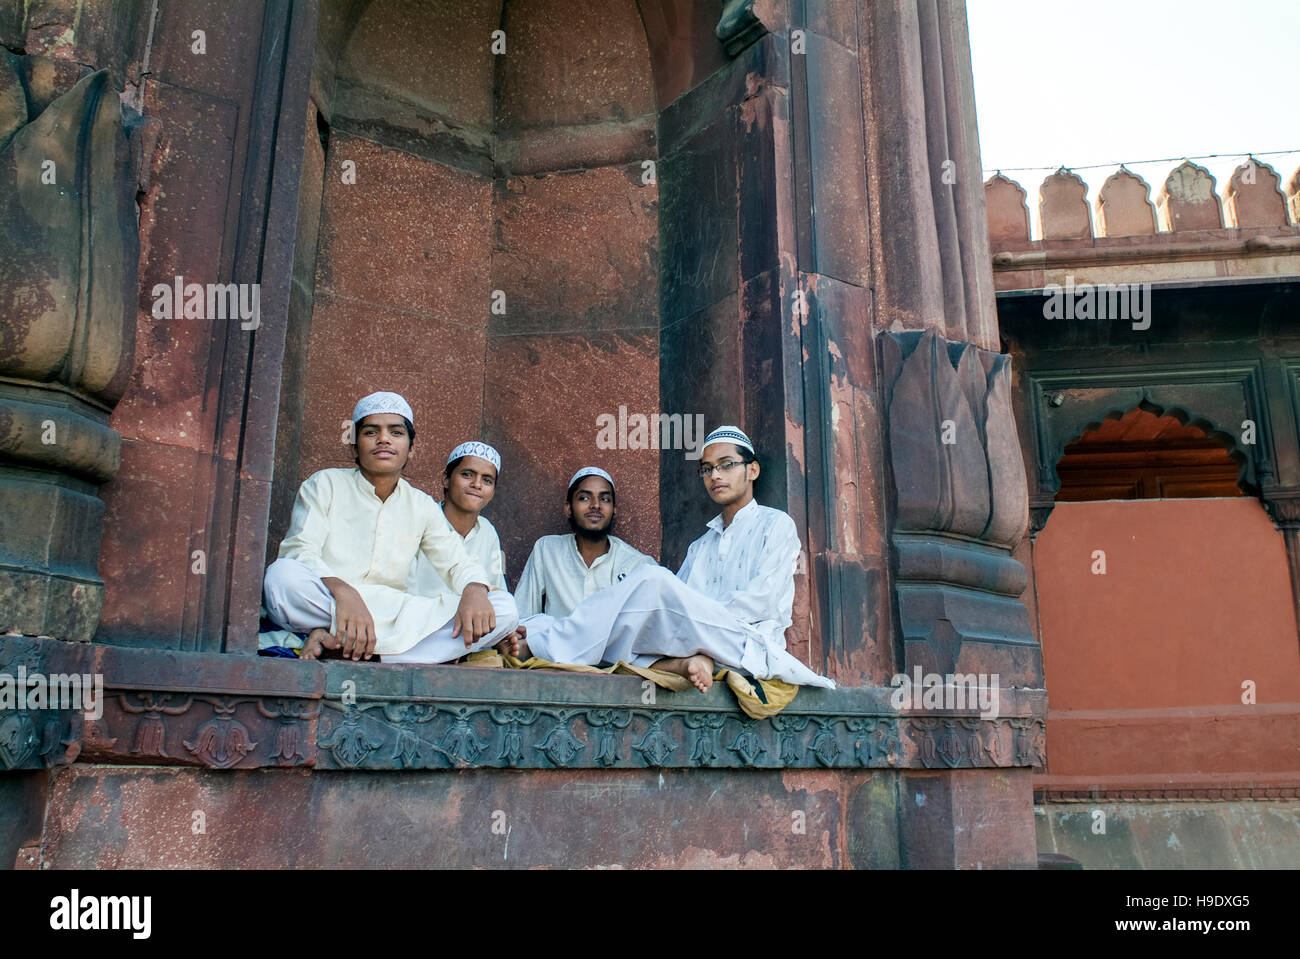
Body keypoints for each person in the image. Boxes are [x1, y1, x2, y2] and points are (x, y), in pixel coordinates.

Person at [517, 426, 834, 693]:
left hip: (747, 642)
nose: (715, 475)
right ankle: (685, 663)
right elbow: (676, 607)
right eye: (707, 468)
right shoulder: (701, 545)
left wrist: (694, 622)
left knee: (651, 580)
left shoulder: (775, 525)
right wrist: (687, 628)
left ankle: (548, 645)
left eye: (726, 465)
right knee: (624, 635)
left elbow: (761, 602)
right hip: (697, 640)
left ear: (752, 470)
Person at [261, 392, 518, 663]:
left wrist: (475, 588)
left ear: (411, 448)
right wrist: (343, 591)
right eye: (371, 432)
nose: (383, 439)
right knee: (281, 577)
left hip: (396, 611)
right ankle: (382, 650)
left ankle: (343, 643)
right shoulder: (324, 484)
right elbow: (299, 551)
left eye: (395, 432)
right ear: (354, 446)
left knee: (504, 610)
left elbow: (456, 562)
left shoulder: (421, 504)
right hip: (331, 599)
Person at [513, 467, 655, 619]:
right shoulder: (547, 550)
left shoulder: (637, 564)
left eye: (605, 499)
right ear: (568, 508)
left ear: (614, 510)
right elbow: (523, 616)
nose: (595, 505)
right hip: (558, 642)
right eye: (584, 498)